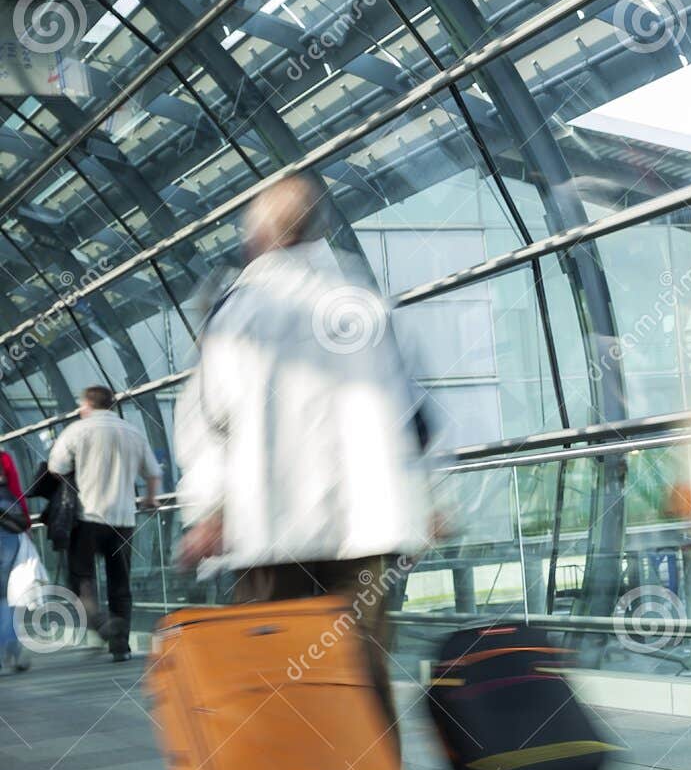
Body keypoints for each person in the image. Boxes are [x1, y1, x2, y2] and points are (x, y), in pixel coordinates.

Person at [173, 172, 435, 735]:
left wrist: (206, 512)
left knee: (275, 677)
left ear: (260, 236)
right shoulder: (362, 298)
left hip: (270, 533)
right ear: (316, 227)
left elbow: (208, 424)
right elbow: (416, 410)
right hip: (367, 530)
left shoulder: (236, 313)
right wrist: (432, 495)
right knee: (364, 672)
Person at [47, 388, 161, 662]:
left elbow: (56, 467)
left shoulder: (78, 430)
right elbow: (154, 473)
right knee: (120, 583)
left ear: (87, 404)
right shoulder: (132, 432)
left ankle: (102, 623)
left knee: (79, 579)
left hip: (88, 517)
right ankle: (121, 646)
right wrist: (148, 499)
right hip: (123, 520)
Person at [0, 448, 32, 671]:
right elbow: (14, 489)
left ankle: (10, 647)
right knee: (3, 593)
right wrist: (26, 523)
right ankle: (12, 647)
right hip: (6, 521)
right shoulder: (3, 457)